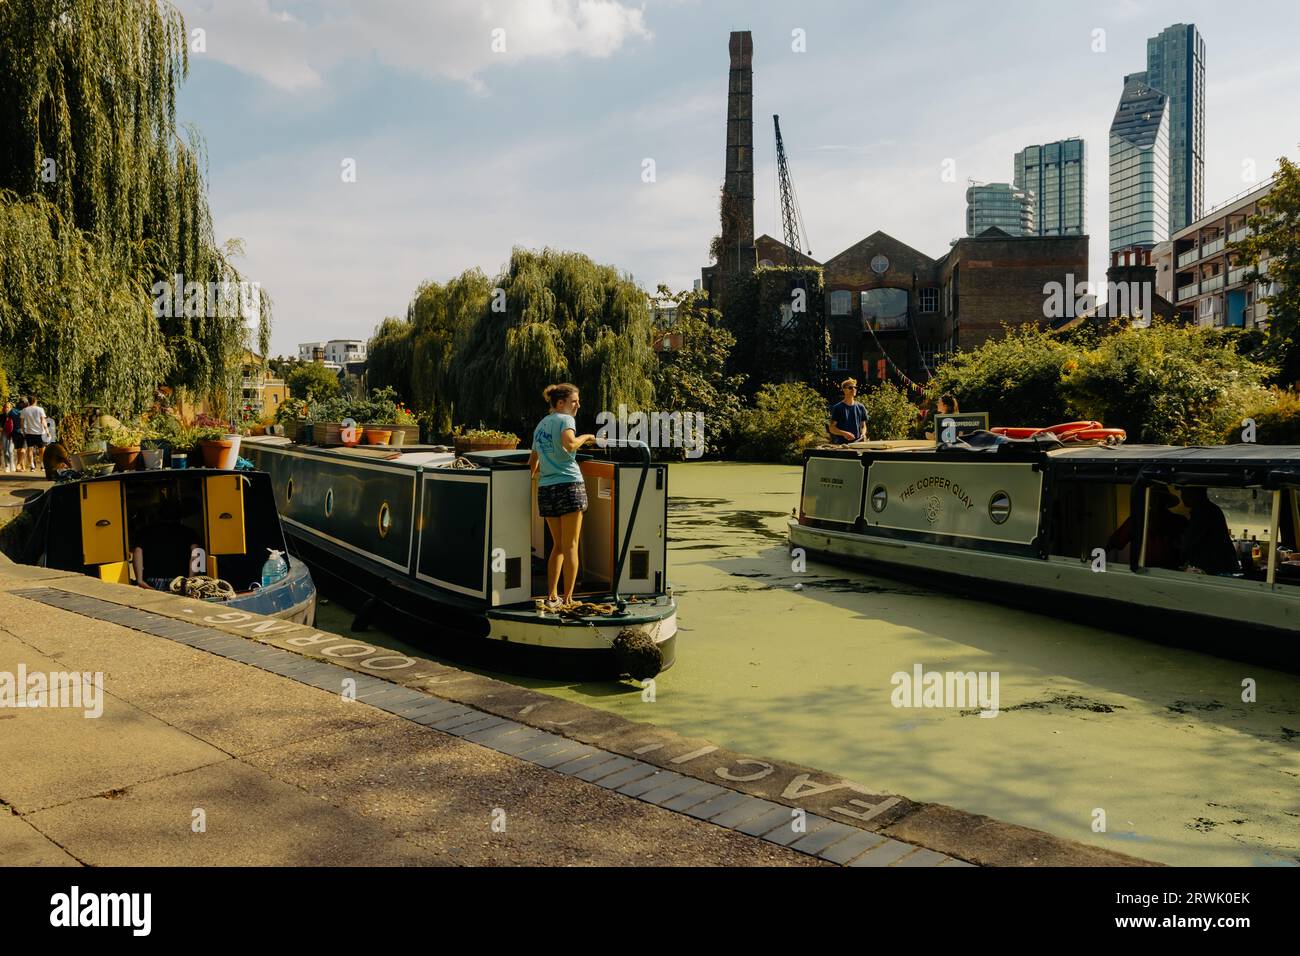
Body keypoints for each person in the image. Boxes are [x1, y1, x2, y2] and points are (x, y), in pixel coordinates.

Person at [529, 383, 596, 608]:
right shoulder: (566, 420)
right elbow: (569, 445)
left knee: (557, 545)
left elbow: (532, 465)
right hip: (569, 485)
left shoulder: (540, 426)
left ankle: (552, 595)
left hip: (546, 488)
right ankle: (568, 598)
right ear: (560, 403)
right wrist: (587, 437)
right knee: (571, 545)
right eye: (574, 401)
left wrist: (549, 467)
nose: (578, 405)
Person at [1106, 486, 1187, 570]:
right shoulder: (1136, 520)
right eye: (1153, 497)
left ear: (1166, 500)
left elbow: (1187, 549)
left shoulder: (1178, 521)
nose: (1157, 501)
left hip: (1172, 574)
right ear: (1148, 500)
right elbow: (1115, 542)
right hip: (1143, 573)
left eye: (1160, 498)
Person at [131, 506, 203, 590]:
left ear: (158, 516)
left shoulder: (146, 531)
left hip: (153, 580)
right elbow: (197, 553)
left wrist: (139, 580)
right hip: (180, 580)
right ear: (179, 517)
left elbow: (137, 551)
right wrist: (191, 579)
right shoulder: (188, 531)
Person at [1179, 486, 1241, 575]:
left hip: (1217, 569)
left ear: (1195, 493)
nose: (1182, 496)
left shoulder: (1203, 512)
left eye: (1184, 492)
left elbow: (1187, 541)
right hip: (1219, 567)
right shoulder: (1209, 509)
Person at [827, 378, 867, 445]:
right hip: (842, 445)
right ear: (844, 390)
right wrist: (844, 433)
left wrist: (863, 434)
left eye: (855, 387)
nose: (853, 389)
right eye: (850, 387)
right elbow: (831, 428)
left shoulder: (861, 407)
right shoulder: (838, 408)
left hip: (858, 445)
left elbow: (863, 426)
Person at [19, 395, 47, 472]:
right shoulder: (40, 409)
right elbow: (43, 421)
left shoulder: (24, 410)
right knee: (42, 450)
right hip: (40, 433)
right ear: (35, 401)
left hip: (29, 432)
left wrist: (23, 431)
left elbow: (21, 422)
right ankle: (42, 466)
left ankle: (32, 466)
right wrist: (47, 431)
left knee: (30, 449)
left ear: (29, 401)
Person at [8, 400, 26, 472]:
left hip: (14, 432)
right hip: (23, 432)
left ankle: (21, 466)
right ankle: (18, 465)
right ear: (22, 403)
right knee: (23, 450)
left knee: (19, 450)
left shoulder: (12, 411)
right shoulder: (25, 411)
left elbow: (8, 419)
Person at [1, 401, 14, 473]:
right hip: (4, 434)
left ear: (11, 408)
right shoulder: (1, 416)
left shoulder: (13, 415)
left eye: (8, 407)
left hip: (12, 434)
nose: (6, 408)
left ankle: (12, 463)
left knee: (10, 450)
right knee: (5, 451)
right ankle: (7, 465)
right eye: (5, 407)